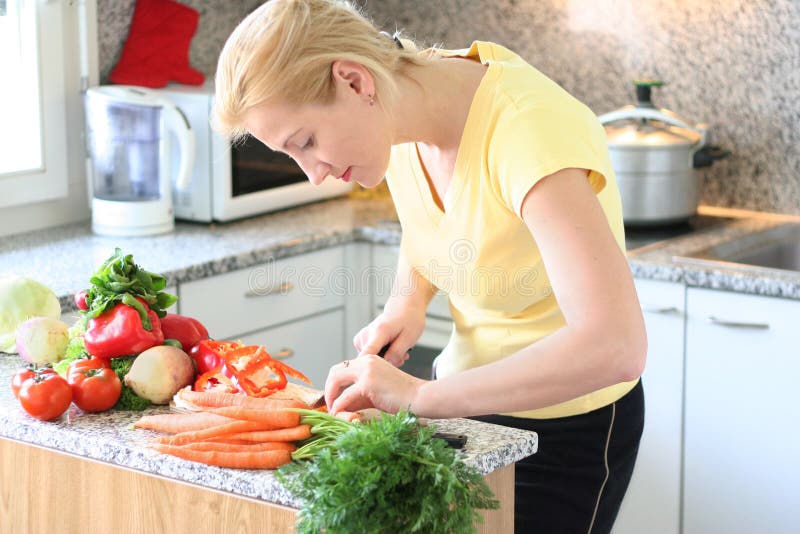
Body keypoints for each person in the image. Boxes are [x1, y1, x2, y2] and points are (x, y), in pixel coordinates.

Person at [213, 1, 647, 532]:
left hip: (564, 429)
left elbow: (615, 346)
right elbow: (438, 220)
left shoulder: (528, 132)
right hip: (464, 406)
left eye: (305, 142)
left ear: (352, 81)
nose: (314, 175)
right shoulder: (399, 113)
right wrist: (407, 300)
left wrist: (421, 397)